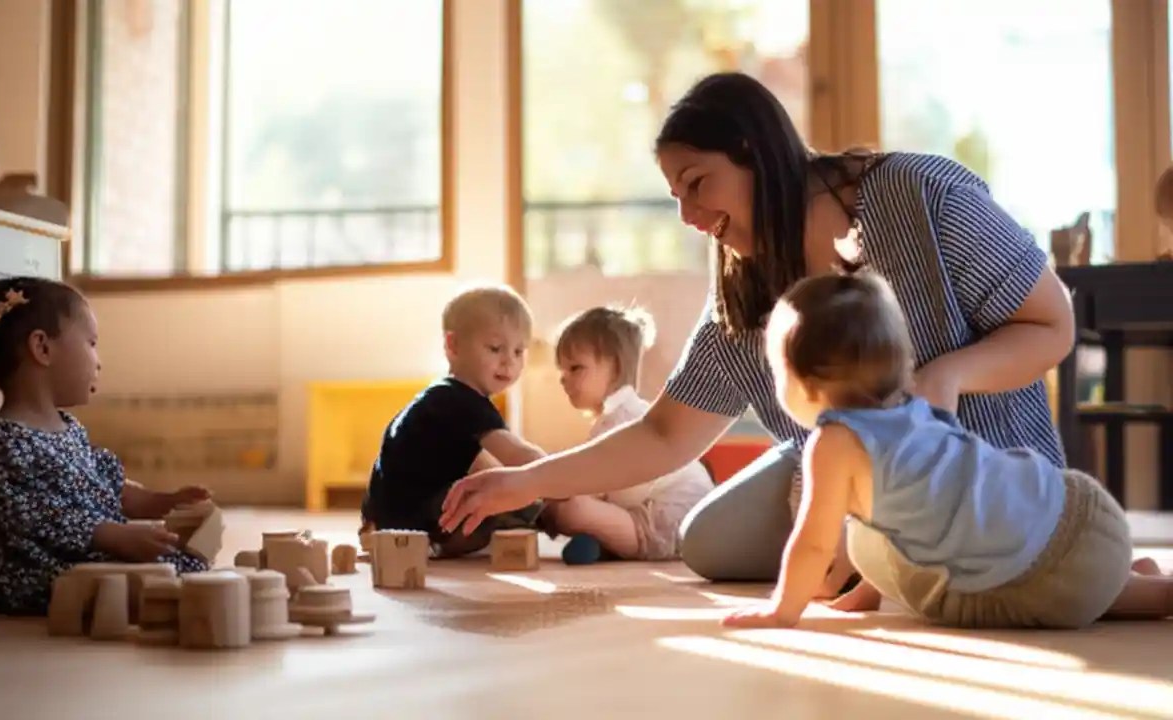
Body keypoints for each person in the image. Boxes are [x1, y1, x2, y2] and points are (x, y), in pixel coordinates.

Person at [440, 71, 1076, 589]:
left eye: (697, 185)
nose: (689, 216)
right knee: (706, 543)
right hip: (841, 470)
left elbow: (1052, 324)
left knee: (965, 569)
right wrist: (524, 480)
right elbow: (665, 433)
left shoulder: (921, 194)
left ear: (753, 152)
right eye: (677, 197)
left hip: (986, 471)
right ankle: (818, 483)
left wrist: (944, 377)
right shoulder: (743, 287)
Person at [721, 270, 1173, 629]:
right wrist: (867, 589)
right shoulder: (915, 412)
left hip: (1055, 575)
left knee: (862, 534)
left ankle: (1129, 584)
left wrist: (782, 609)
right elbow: (924, 511)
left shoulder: (834, 441)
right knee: (883, 526)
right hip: (1079, 511)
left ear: (806, 381)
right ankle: (1136, 579)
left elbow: (814, 544)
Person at [0, 277, 209, 616]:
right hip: (23, 575)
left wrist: (165, 502)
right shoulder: (6, 442)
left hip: (75, 557)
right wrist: (113, 536)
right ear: (42, 348)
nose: (98, 361)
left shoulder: (68, 429)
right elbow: (38, 519)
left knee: (180, 562)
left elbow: (108, 487)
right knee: (151, 574)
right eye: (92, 343)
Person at [359, 283, 545, 558]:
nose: (509, 362)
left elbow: (485, 467)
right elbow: (520, 457)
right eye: (495, 348)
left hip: (387, 520)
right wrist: (569, 483)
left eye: (519, 352)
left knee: (505, 486)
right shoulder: (462, 401)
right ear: (453, 345)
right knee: (536, 500)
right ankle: (580, 525)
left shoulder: (440, 398)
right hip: (419, 522)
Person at [547, 306, 713, 564]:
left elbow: (628, 489)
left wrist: (585, 495)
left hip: (674, 520)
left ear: (615, 368)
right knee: (574, 505)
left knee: (571, 510)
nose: (563, 379)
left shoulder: (625, 419)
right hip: (650, 512)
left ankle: (601, 543)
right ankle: (600, 543)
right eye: (562, 370)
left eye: (575, 368)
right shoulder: (614, 417)